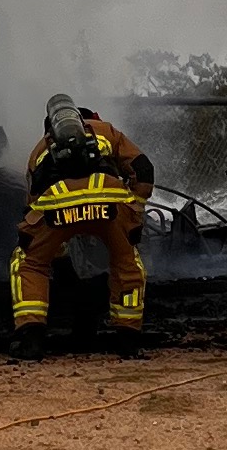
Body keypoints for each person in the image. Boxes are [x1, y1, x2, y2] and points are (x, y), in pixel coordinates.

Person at [11, 94, 155, 360]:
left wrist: (59, 255)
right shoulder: (105, 131)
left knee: (29, 263)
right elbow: (143, 168)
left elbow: (32, 206)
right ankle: (128, 341)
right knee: (126, 263)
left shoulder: (38, 149)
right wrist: (134, 208)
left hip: (56, 204)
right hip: (109, 201)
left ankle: (31, 339)